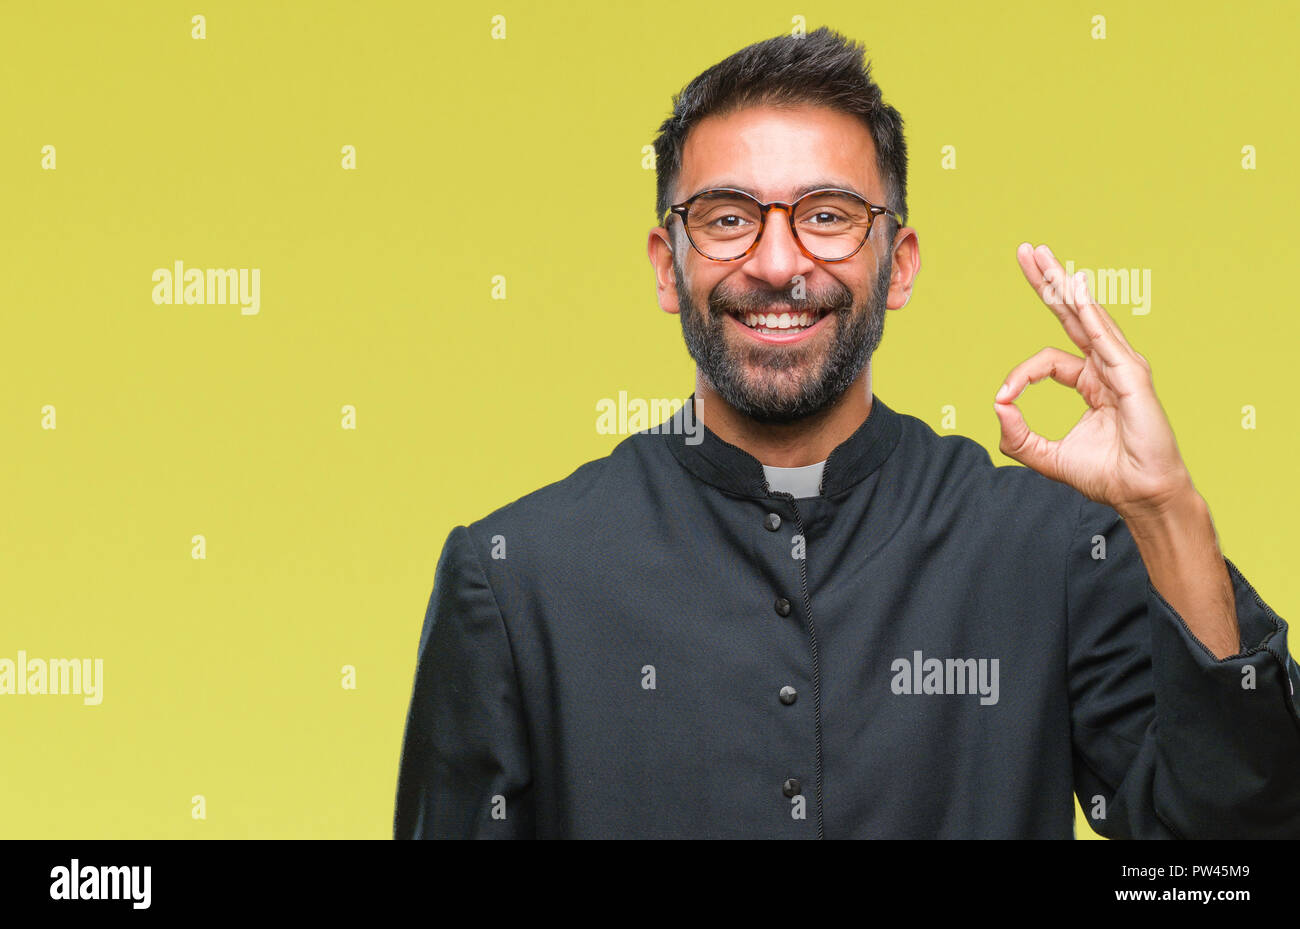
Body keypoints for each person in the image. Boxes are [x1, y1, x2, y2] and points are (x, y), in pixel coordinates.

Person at [393, 26, 1300, 839]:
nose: (779, 261)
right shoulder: (516, 576)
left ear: (897, 265)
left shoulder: (1053, 547)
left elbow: (1231, 849)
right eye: (727, 219)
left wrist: (1167, 510)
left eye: (828, 215)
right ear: (668, 267)